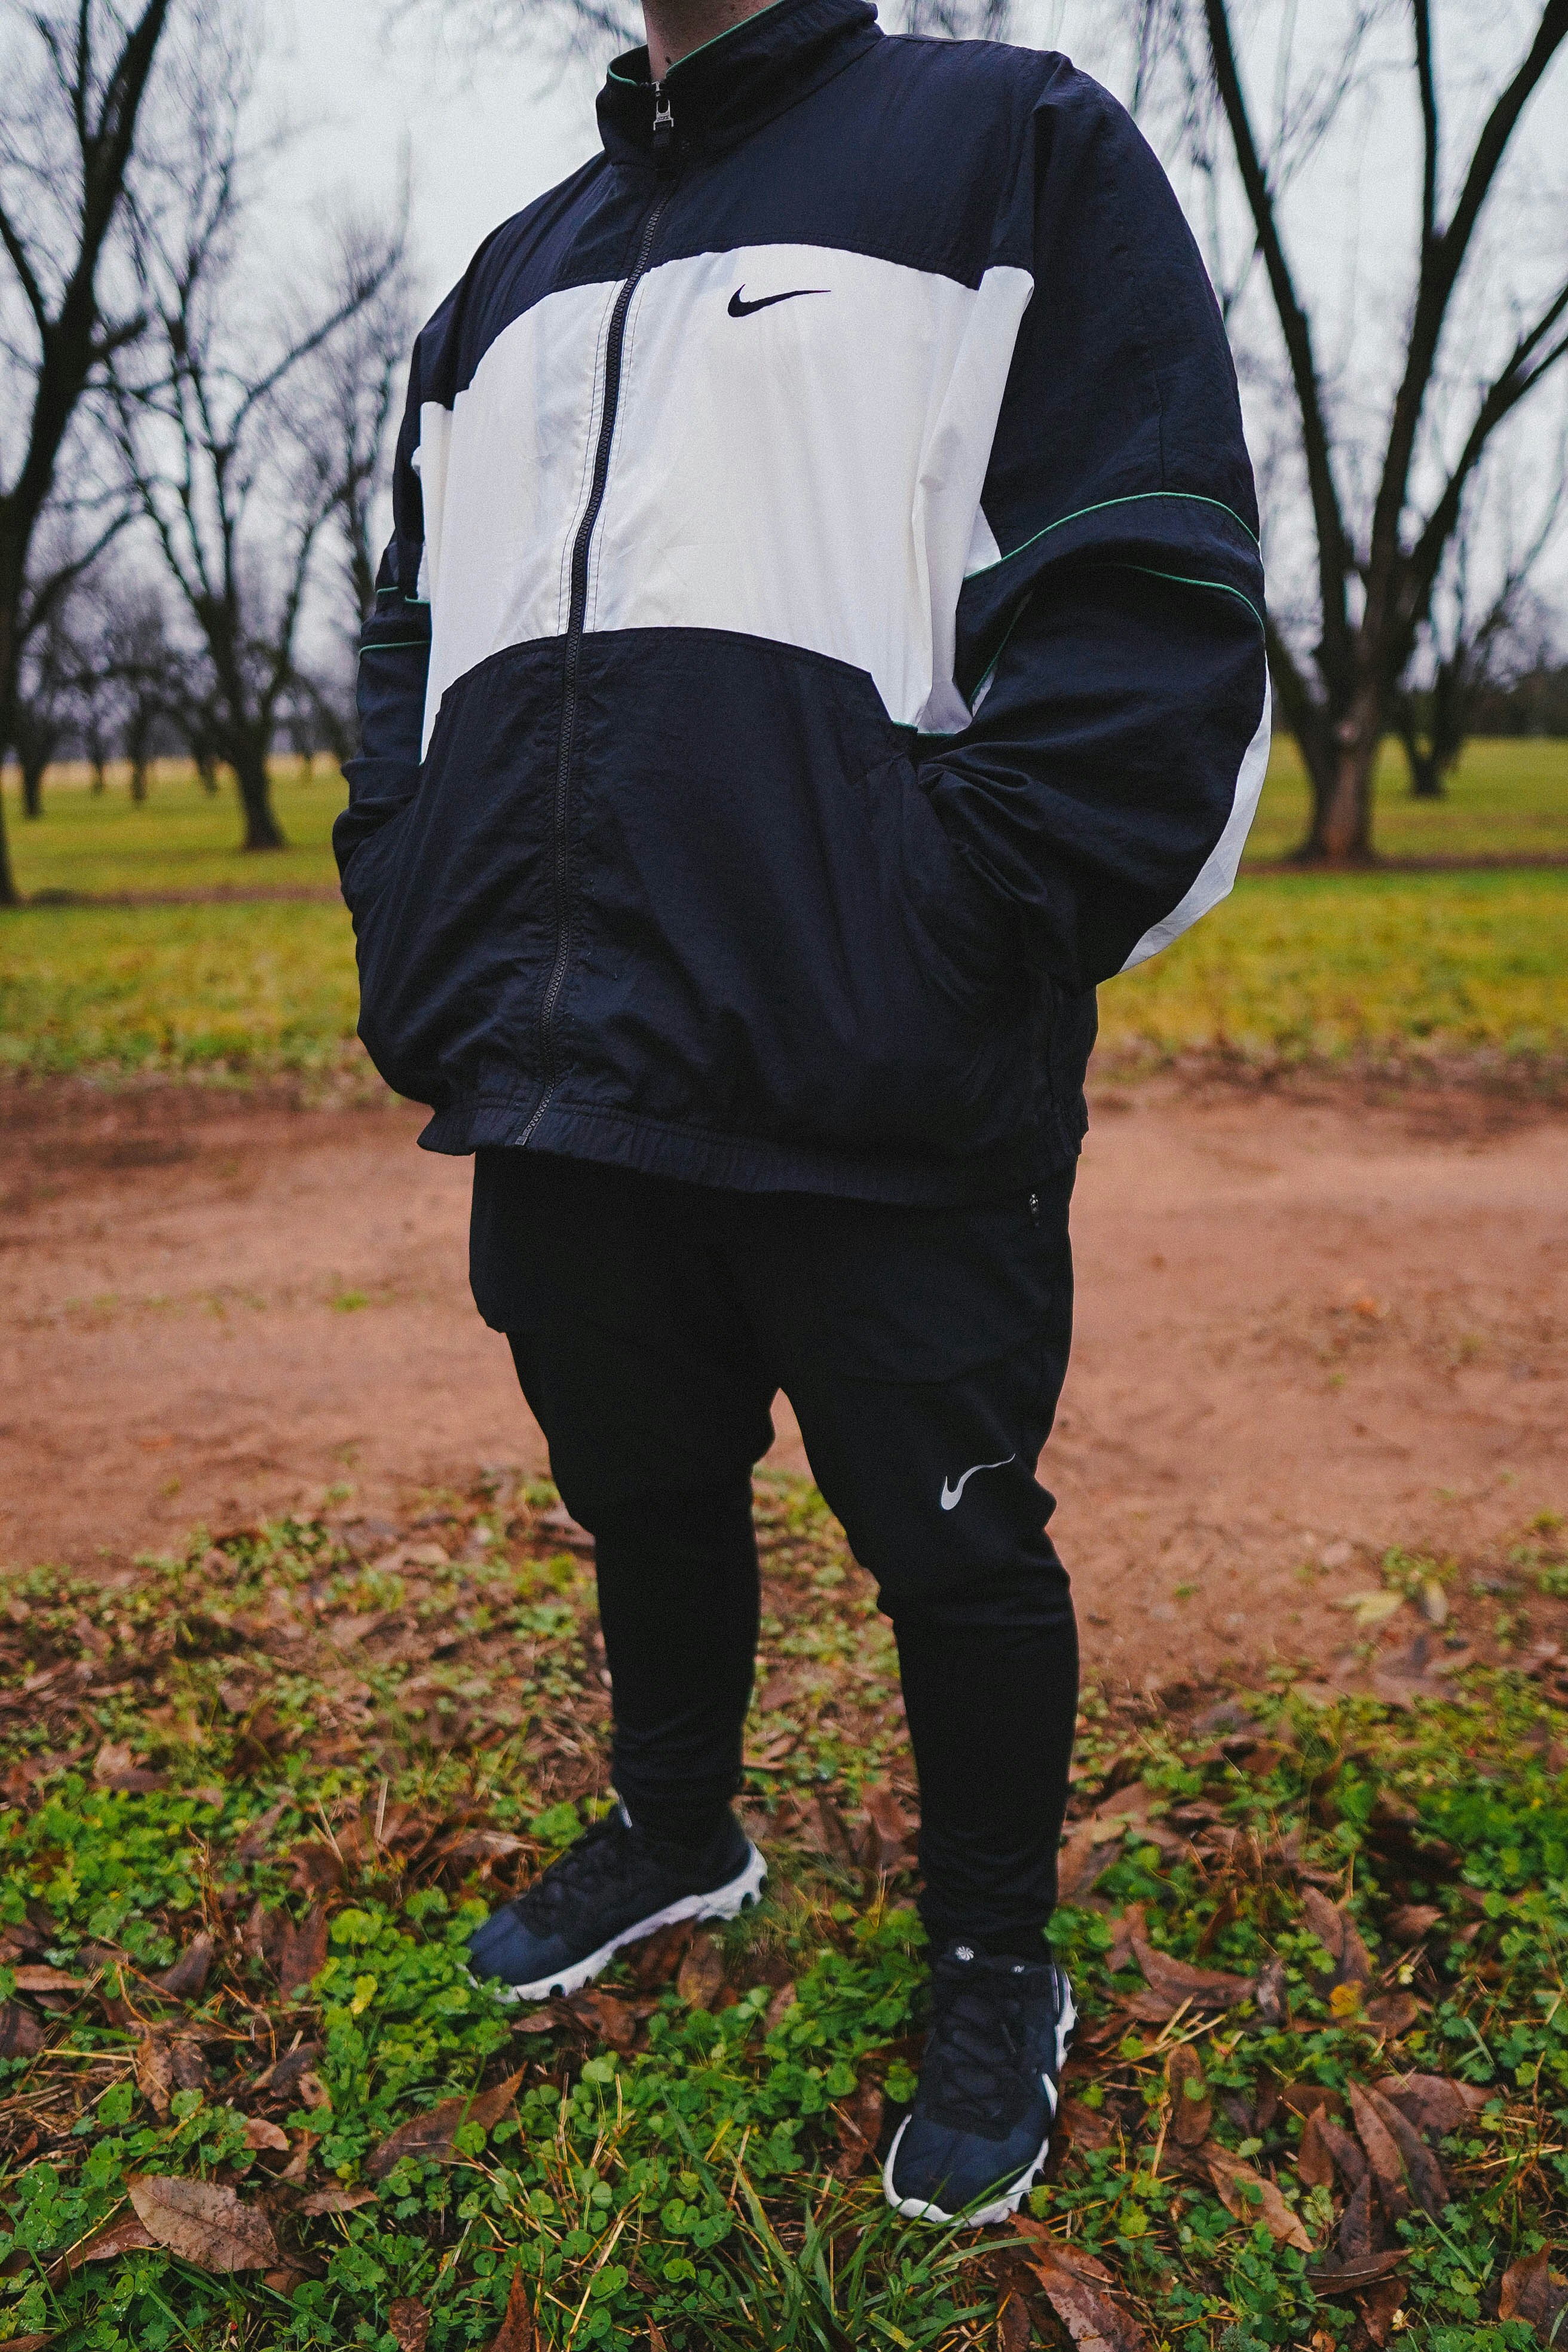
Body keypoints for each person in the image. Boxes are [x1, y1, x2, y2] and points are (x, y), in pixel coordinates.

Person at [336, 0, 1267, 2227]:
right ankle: (683, 1831)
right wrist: (417, 900)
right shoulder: (507, 271)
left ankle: (992, 1967)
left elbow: (1150, 594)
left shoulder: (1010, 142)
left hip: (882, 1061)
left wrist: (954, 928)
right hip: (566, 1064)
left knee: (951, 1539)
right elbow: (408, 640)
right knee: (639, 1484)